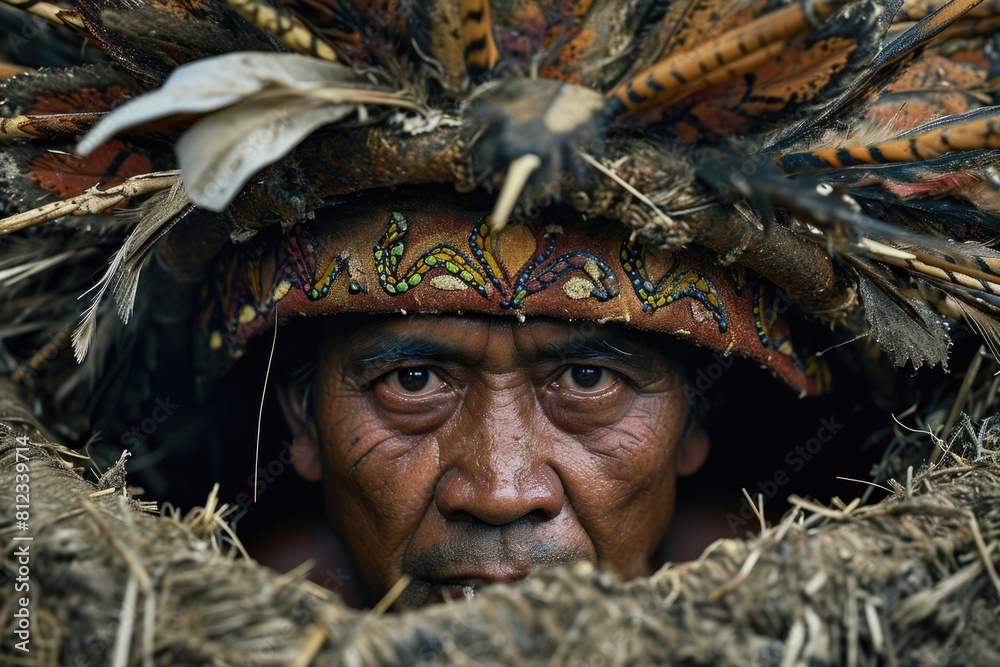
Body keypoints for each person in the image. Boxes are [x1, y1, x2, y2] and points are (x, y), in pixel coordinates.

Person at [195, 186, 827, 607]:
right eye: (412, 381)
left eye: (587, 379)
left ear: (693, 423)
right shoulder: (257, 609)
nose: (500, 493)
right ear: (304, 423)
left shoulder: (752, 601)